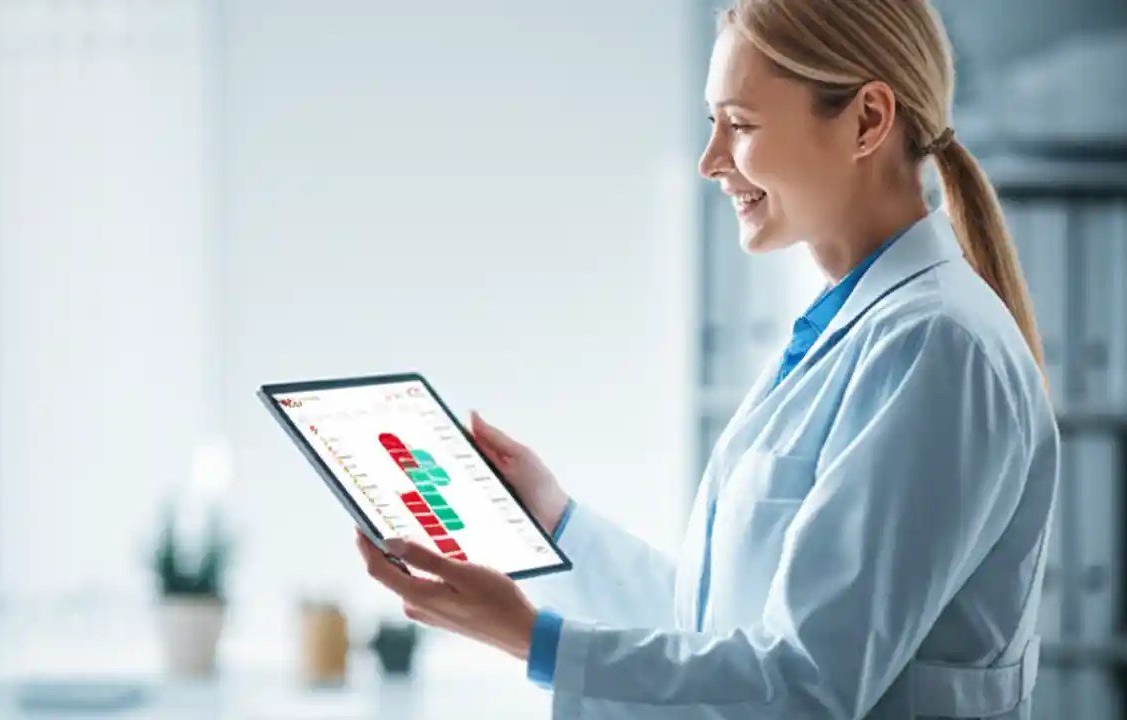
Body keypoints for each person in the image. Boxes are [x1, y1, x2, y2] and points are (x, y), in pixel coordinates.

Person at [356, 0, 1059, 717]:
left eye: (742, 125)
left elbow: (804, 685)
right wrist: (554, 521)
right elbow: (719, 632)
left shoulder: (937, 346)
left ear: (867, 121)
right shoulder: (849, 328)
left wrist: (532, 639)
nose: (711, 160)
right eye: (712, 122)